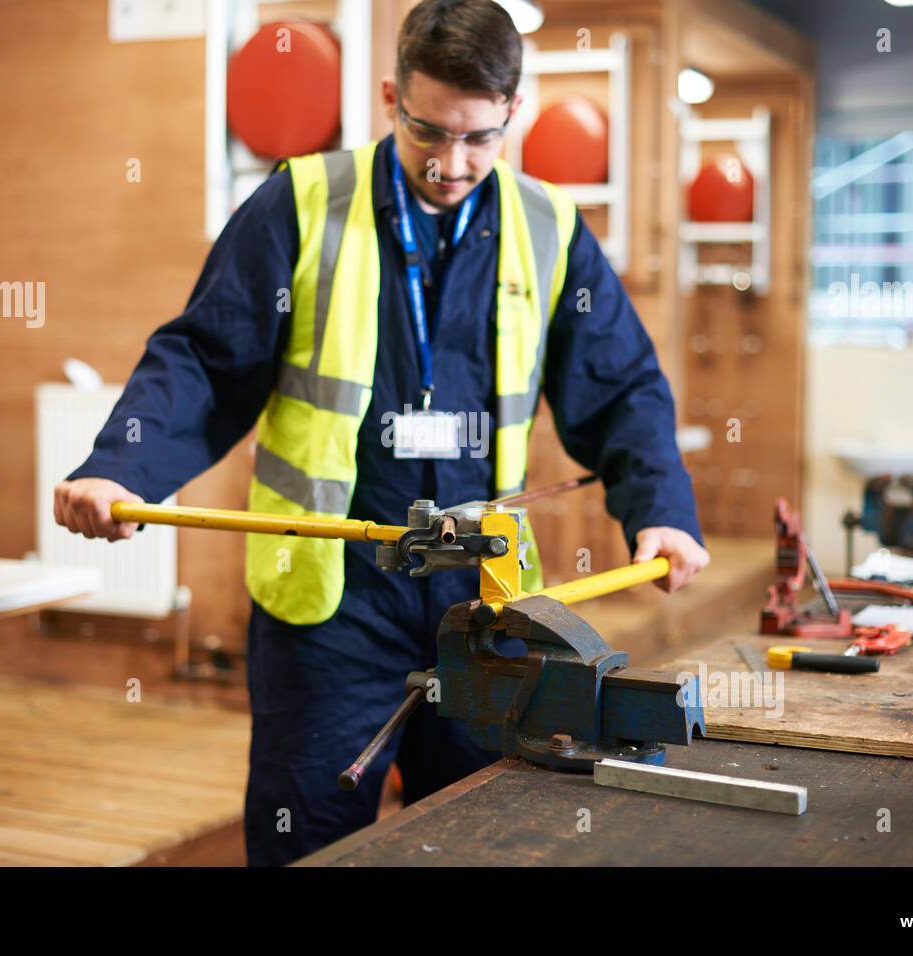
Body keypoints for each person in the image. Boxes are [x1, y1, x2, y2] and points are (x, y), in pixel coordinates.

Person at [52, 0, 708, 866]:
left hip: (486, 602)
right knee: (309, 839)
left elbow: (621, 383)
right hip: (331, 600)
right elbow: (206, 359)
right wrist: (119, 464)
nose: (450, 163)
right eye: (427, 130)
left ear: (515, 110)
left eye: (478, 138)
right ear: (392, 94)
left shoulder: (549, 229)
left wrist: (660, 505)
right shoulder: (304, 201)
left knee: (484, 833)